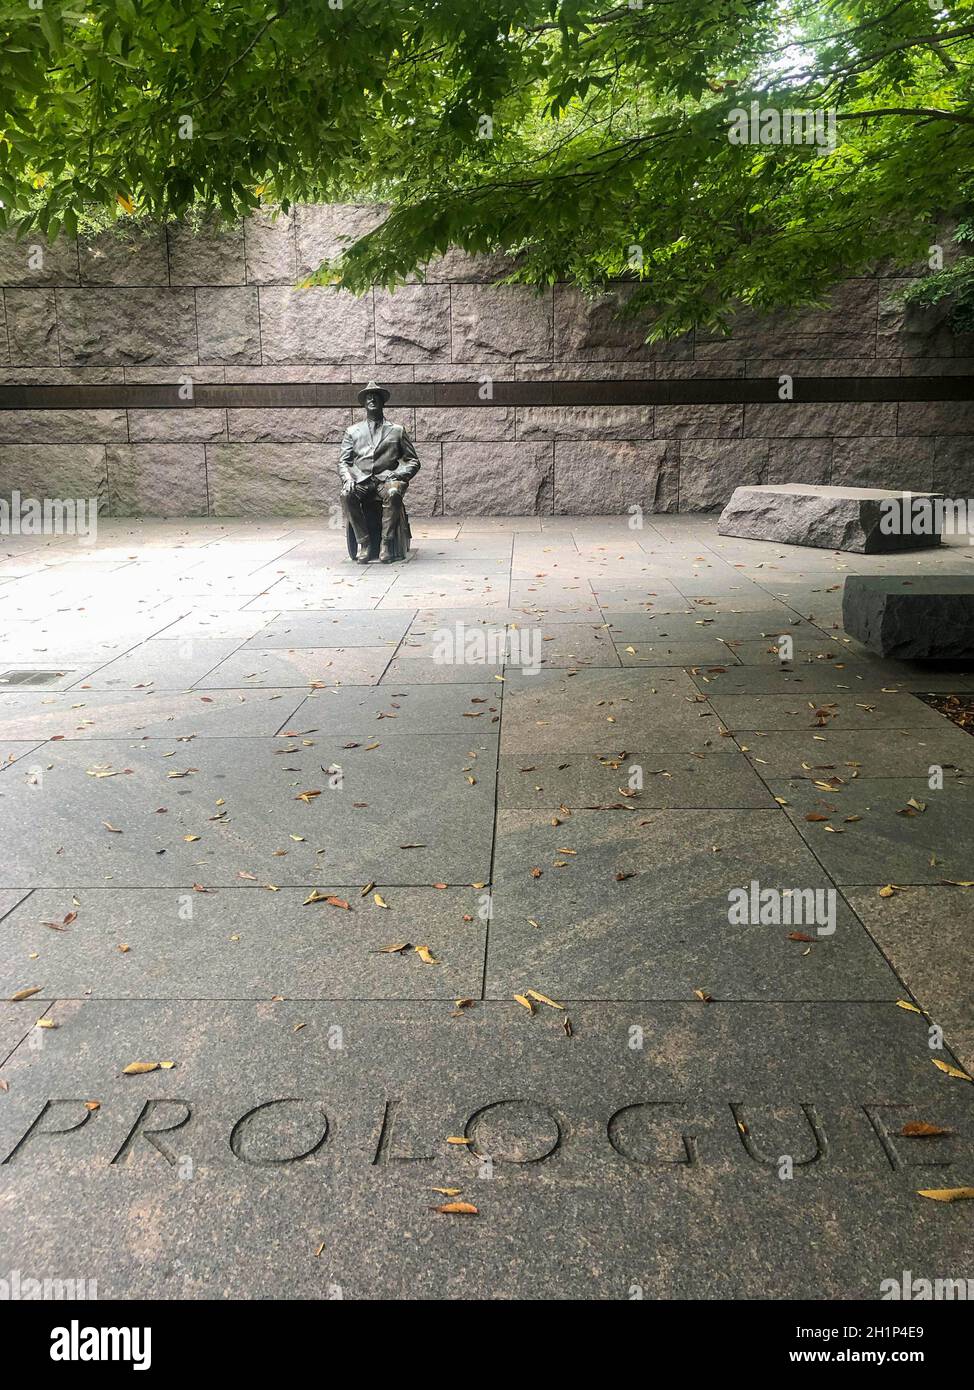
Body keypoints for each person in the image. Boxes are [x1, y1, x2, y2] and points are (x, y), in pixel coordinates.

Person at [338, 381, 420, 562]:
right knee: (346, 494)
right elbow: (343, 462)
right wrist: (348, 478)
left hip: (387, 480)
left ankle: (386, 543)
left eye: (376, 396)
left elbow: (413, 461)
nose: (372, 399)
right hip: (362, 481)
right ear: (364, 403)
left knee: (393, 492)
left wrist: (399, 474)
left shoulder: (397, 430)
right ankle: (364, 543)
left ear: (383, 402)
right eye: (368, 396)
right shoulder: (352, 431)